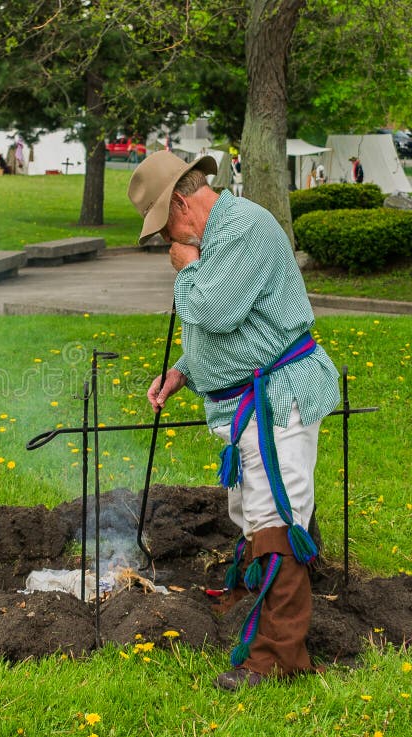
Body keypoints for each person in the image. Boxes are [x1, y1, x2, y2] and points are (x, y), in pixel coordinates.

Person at [127, 150, 340, 690]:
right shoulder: (217, 235)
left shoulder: (241, 227)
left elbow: (215, 310)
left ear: (180, 202)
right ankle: (256, 608)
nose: (164, 242)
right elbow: (221, 331)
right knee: (250, 512)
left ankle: (276, 658)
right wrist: (181, 371)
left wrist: (186, 267)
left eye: (162, 229)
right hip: (247, 403)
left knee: (275, 518)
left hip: (277, 400)